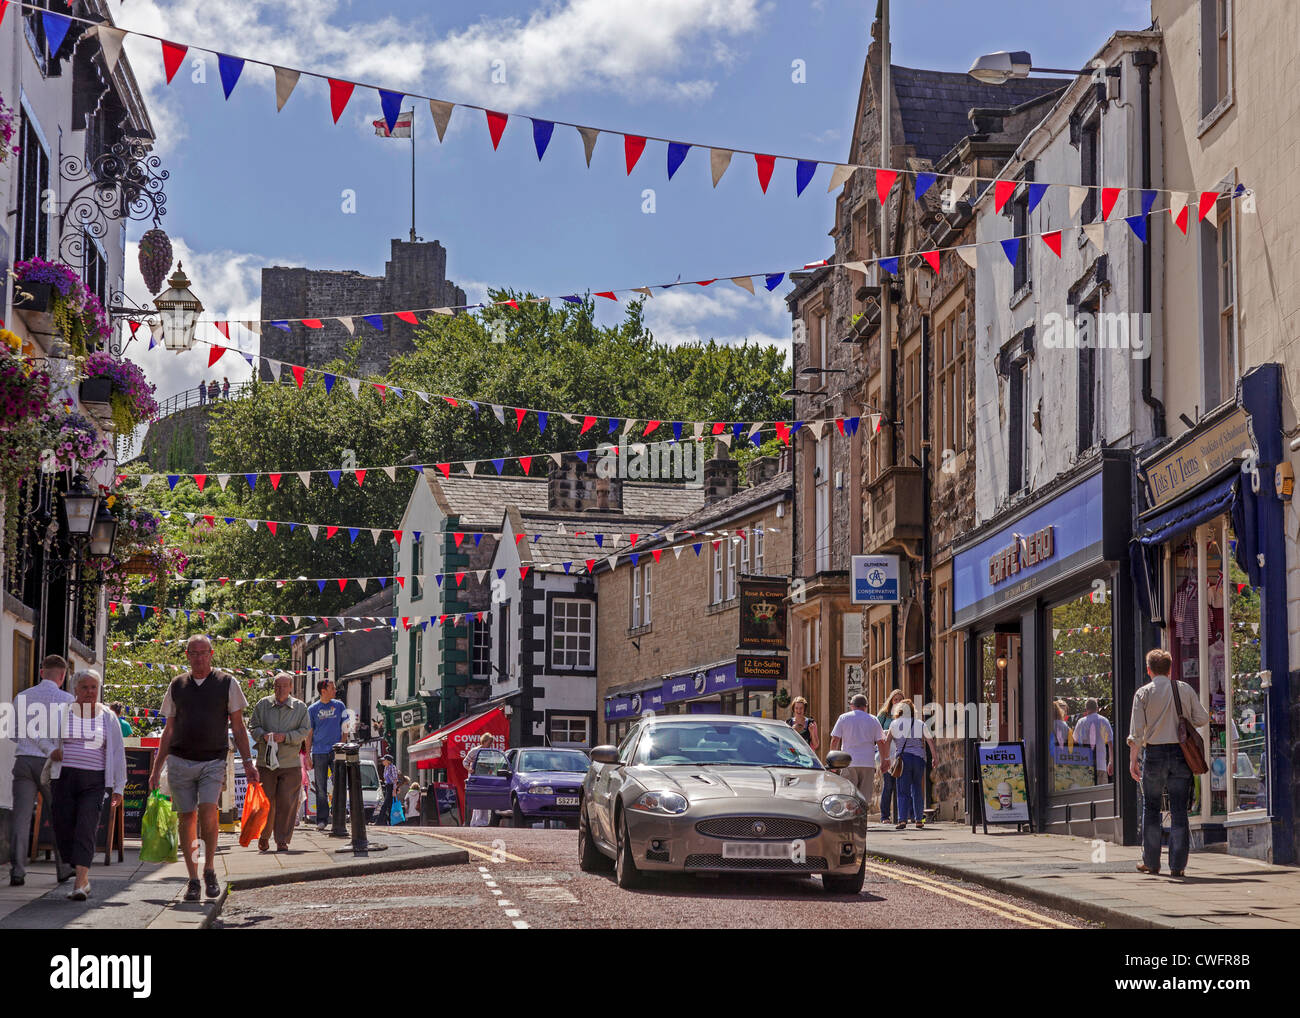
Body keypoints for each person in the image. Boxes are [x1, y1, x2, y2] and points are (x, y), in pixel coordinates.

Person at [149, 635, 257, 901]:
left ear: (211, 654)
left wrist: (248, 762)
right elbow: (169, 729)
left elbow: (238, 726)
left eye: (203, 652)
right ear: (187, 655)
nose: (198, 657)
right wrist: (155, 768)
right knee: (187, 817)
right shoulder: (177, 685)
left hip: (213, 759)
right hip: (180, 759)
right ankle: (193, 878)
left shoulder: (227, 683)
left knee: (209, 811)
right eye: (193, 653)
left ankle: (209, 869)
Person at [1129, 648, 1209, 878]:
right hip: (1180, 754)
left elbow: (1136, 733)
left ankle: (1152, 863)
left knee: (1151, 808)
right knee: (1179, 810)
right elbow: (1202, 718)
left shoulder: (1143, 694)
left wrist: (1133, 761)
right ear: (1170, 668)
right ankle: (1178, 866)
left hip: (1153, 754)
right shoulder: (1183, 689)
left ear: (1149, 670)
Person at [50, 671, 127, 901]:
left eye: (94, 687)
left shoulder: (107, 716)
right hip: (63, 778)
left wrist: (118, 787)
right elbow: (44, 738)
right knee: (63, 825)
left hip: (94, 781)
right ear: (75, 689)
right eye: (84, 687)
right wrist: (50, 751)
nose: (90, 692)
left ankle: (81, 881)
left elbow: (116, 752)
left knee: (86, 826)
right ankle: (75, 865)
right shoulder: (62, 713)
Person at [8, 654, 76, 886]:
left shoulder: (22, 697)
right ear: (63, 675)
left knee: (20, 817)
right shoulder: (68, 699)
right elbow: (69, 736)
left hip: (24, 760)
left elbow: (13, 733)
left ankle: (17, 871)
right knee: (58, 815)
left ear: (41, 672)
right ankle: (64, 867)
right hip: (51, 763)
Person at [249, 673, 310, 852]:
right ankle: (264, 836)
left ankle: (282, 840)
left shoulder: (300, 707)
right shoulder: (262, 705)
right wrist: (263, 735)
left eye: (284, 686)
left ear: (291, 687)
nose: (280, 689)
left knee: (287, 803)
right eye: (277, 686)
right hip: (266, 763)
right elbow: (253, 727)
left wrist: (286, 737)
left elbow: (305, 731)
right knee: (266, 802)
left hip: (290, 763)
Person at [828, 694, 890, 815]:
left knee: (849, 794)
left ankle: (850, 818)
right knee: (864, 796)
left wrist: (833, 762)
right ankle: (860, 819)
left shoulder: (843, 718)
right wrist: (884, 760)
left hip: (848, 762)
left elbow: (835, 740)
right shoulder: (873, 719)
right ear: (865, 707)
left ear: (852, 706)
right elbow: (881, 742)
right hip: (867, 763)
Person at [889, 698, 937, 830]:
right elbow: (930, 741)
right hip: (918, 759)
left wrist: (886, 760)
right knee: (917, 789)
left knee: (902, 790)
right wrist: (934, 757)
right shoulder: (920, 723)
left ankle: (902, 820)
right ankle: (918, 820)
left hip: (903, 759)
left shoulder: (894, 724)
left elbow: (887, 742)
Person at [307, 679, 348, 828]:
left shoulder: (339, 705)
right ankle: (322, 820)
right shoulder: (312, 709)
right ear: (323, 691)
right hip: (318, 752)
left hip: (337, 751)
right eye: (332, 688)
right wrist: (307, 755)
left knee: (339, 784)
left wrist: (342, 744)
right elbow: (309, 734)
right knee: (321, 787)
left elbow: (345, 727)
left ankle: (338, 816)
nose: (335, 691)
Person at [876, 689, 905, 822]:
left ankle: (902, 815)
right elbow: (875, 731)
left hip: (901, 754)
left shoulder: (906, 715)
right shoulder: (884, 715)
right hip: (887, 754)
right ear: (891, 701)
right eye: (895, 699)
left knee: (902, 785)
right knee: (888, 785)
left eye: (900, 699)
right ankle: (885, 816)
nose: (898, 702)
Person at [1073, 698, 1114, 780]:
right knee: (1101, 791)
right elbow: (1110, 743)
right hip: (1101, 765)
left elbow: (1075, 742)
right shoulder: (1104, 721)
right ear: (1097, 708)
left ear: (1086, 709)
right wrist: (1111, 762)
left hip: (1084, 765)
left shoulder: (1081, 722)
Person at [464, 734, 495, 826]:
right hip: (476, 777)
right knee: (478, 799)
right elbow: (465, 761)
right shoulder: (475, 751)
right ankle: (478, 821)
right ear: (484, 741)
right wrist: (469, 769)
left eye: (491, 743)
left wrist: (491, 770)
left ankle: (481, 821)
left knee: (485, 799)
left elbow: (492, 765)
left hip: (486, 777)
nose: (490, 745)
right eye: (489, 742)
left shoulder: (490, 752)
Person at [376, 754, 397, 826]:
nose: (382, 761)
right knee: (389, 805)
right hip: (387, 787)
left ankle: (379, 822)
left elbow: (395, 780)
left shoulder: (392, 767)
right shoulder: (386, 768)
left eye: (384, 760)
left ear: (388, 761)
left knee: (385, 805)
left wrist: (394, 790)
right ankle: (391, 822)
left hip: (391, 787)